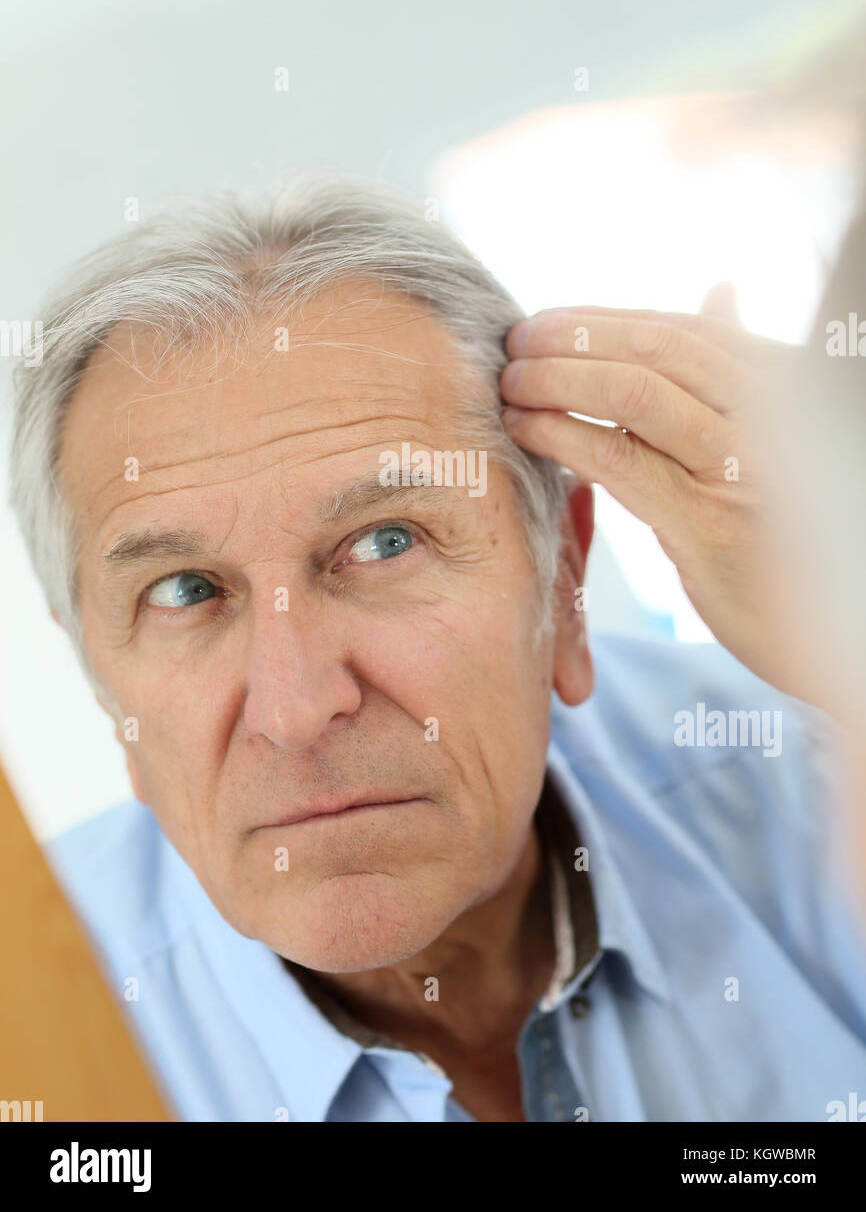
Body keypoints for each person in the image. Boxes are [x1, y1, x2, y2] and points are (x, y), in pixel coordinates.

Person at [10, 170, 866, 1121]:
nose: (296, 711)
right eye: (184, 592)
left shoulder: (817, 778)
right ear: (104, 689)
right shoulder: (32, 1041)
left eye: (385, 542)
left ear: (563, 583)